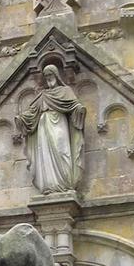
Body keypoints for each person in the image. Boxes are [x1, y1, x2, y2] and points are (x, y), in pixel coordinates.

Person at [15, 64, 84, 193]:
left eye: (50, 75)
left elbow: (74, 105)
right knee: (45, 154)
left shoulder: (65, 91)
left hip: (59, 124)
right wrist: (21, 118)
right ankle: (50, 185)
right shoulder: (43, 95)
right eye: (46, 76)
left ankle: (65, 183)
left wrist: (79, 109)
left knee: (62, 151)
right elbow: (33, 111)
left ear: (56, 75)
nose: (48, 78)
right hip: (43, 127)